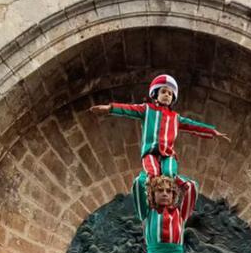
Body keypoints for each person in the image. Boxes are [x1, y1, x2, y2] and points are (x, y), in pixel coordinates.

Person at [89, 74, 229, 179]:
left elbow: (193, 125)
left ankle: (174, 193)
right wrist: (109, 108)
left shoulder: (175, 117)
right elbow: (129, 109)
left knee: (169, 173)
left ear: (172, 98)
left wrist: (212, 132)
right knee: (153, 174)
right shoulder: (147, 109)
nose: (167, 95)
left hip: (168, 154)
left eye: (170, 93)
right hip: (150, 152)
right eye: (163, 92)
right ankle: (150, 196)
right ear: (156, 94)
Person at [130, 173, 197, 253]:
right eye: (160, 190)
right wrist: (150, 175)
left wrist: (173, 177)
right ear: (153, 194)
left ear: (173, 195)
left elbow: (192, 186)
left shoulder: (181, 213)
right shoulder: (147, 213)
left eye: (169, 191)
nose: (165, 194)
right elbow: (138, 183)